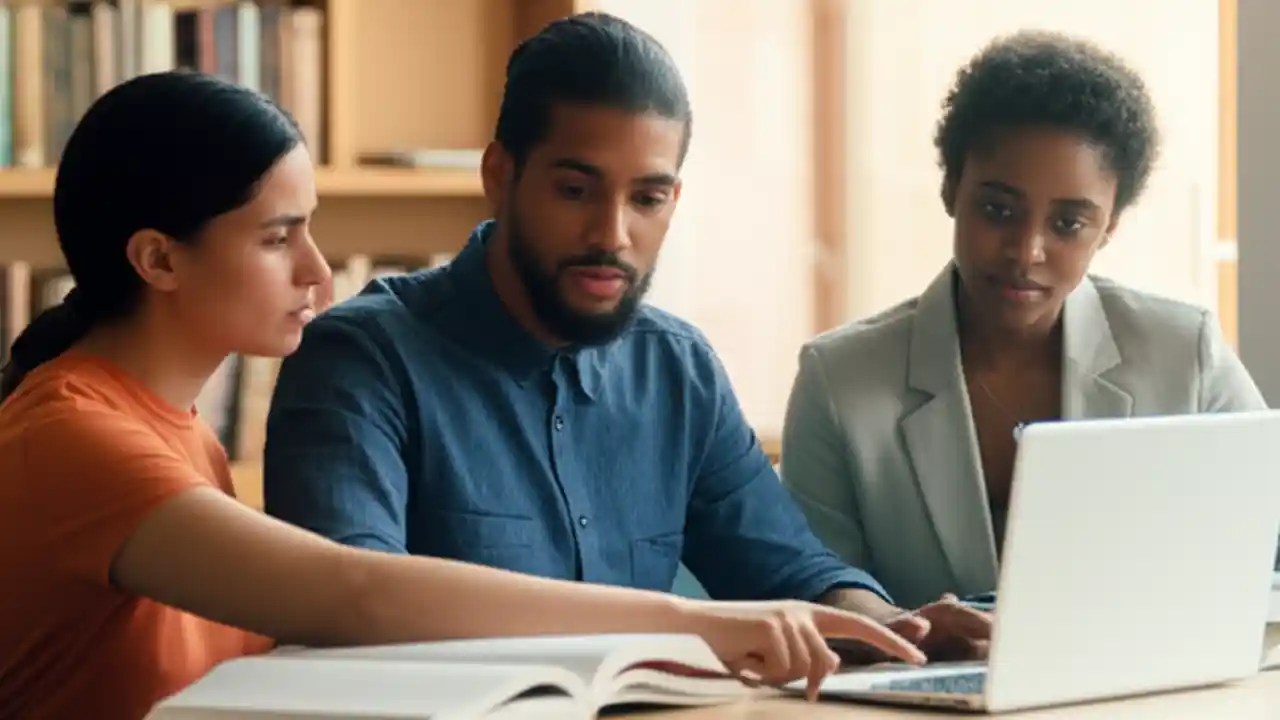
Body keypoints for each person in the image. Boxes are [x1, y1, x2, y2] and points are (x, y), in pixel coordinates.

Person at [0, 71, 937, 720]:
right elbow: (355, 592)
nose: (319, 272)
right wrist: (699, 624)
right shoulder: (76, 439)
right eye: (279, 237)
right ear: (158, 259)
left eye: (311, 230)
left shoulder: (173, 435)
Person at [262, 10, 989, 663]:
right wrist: (683, 623)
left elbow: (791, 572)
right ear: (500, 176)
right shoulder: (360, 361)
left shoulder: (677, 369)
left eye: (646, 198)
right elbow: (349, 614)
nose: (612, 234)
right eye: (576, 190)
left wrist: (896, 629)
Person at [779, 30, 1266, 610]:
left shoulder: (1186, 356)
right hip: (914, 669)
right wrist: (907, 632)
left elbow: (1265, 543)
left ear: (1109, 226)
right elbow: (810, 586)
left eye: (1068, 224)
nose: (1026, 251)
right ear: (950, 189)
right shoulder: (840, 379)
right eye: (998, 210)